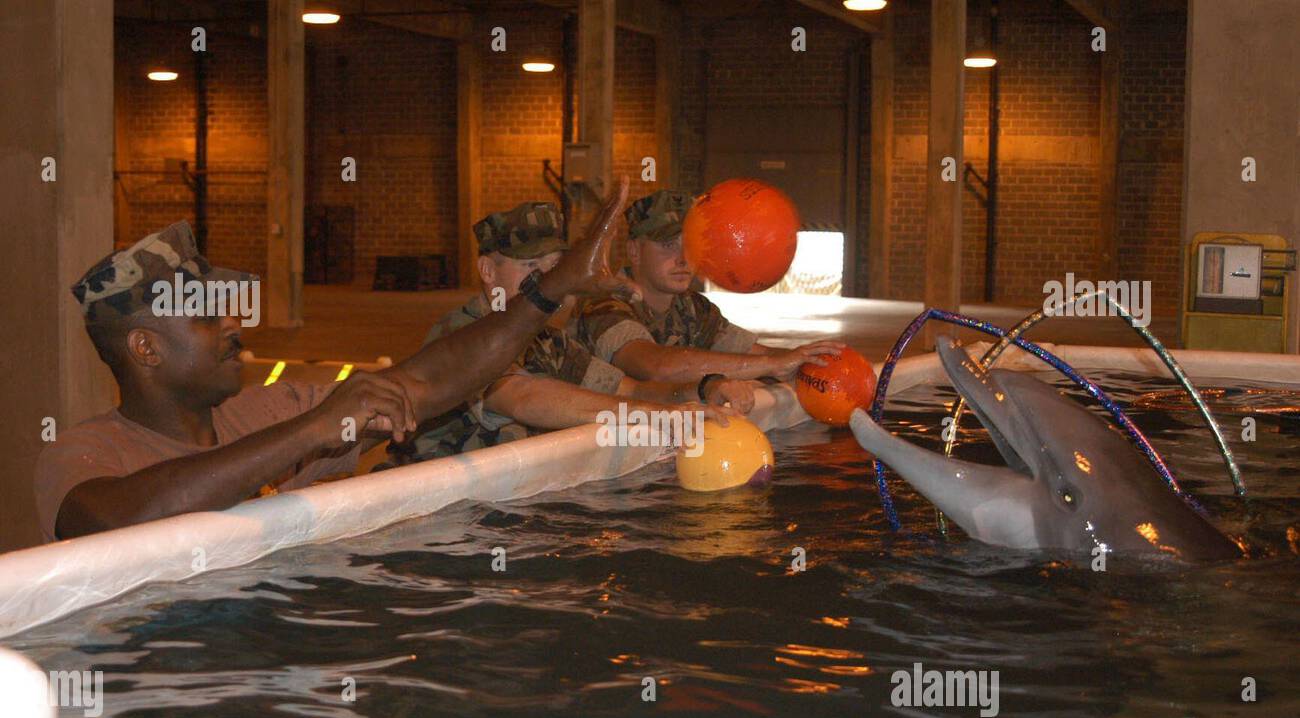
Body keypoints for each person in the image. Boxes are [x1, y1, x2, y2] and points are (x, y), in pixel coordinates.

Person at [36, 178, 641, 542]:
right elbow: (113, 521)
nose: (234, 323)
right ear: (145, 347)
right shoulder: (85, 456)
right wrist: (309, 431)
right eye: (206, 313)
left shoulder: (263, 409)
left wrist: (546, 292)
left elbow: (430, 380)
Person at [394, 201, 745, 463]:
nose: (544, 281)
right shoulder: (460, 335)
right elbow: (522, 396)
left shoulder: (548, 340)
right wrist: (649, 414)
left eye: (552, 268)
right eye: (530, 265)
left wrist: (701, 389)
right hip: (431, 516)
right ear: (487, 270)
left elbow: (632, 387)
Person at [570, 189, 846, 405]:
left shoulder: (692, 307)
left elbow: (753, 353)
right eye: (668, 245)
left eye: (689, 244)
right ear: (634, 251)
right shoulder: (604, 304)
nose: (682, 258)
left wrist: (813, 361)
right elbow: (656, 366)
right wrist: (772, 365)